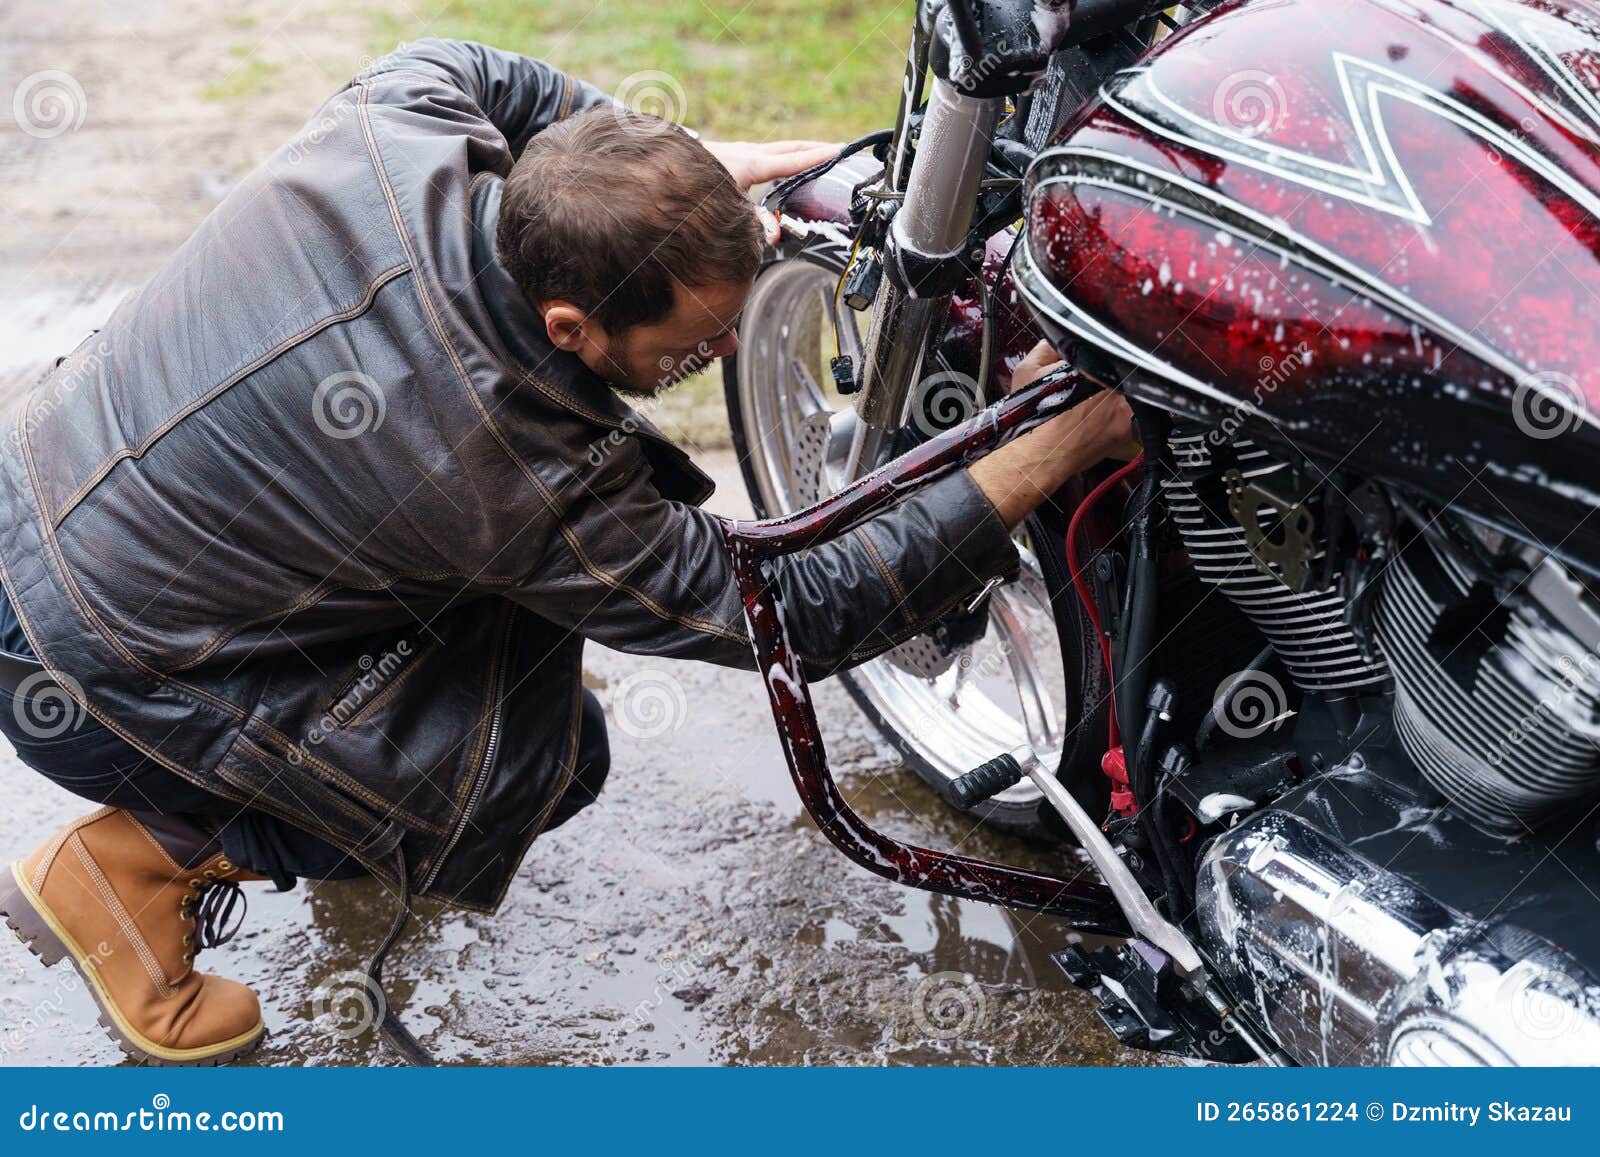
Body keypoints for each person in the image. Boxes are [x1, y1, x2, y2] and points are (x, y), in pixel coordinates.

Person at [0, 39, 1132, 1065]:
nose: (730, 346)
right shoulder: (509, 463)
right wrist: (1062, 440)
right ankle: (145, 857)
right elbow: (791, 608)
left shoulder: (403, 113)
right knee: (540, 757)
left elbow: (513, 86)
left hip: (36, 496)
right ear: (568, 330)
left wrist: (667, 181)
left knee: (502, 629)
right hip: (89, 667)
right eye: (695, 345)